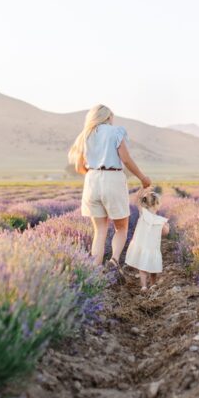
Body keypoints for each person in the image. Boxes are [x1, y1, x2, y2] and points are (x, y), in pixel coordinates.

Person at [68, 105, 153, 270]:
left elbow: (79, 167)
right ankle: (114, 260)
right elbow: (126, 160)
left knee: (99, 231)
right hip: (112, 178)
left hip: (91, 180)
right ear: (107, 117)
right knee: (121, 227)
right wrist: (143, 178)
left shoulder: (85, 135)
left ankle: (95, 272)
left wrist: (95, 173)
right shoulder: (115, 132)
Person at [125, 189, 170, 291]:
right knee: (153, 267)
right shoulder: (160, 220)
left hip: (142, 245)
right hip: (153, 248)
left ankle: (144, 286)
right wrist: (167, 226)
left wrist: (142, 190)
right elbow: (165, 233)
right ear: (157, 204)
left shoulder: (143, 213)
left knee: (142, 267)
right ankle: (153, 284)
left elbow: (137, 200)